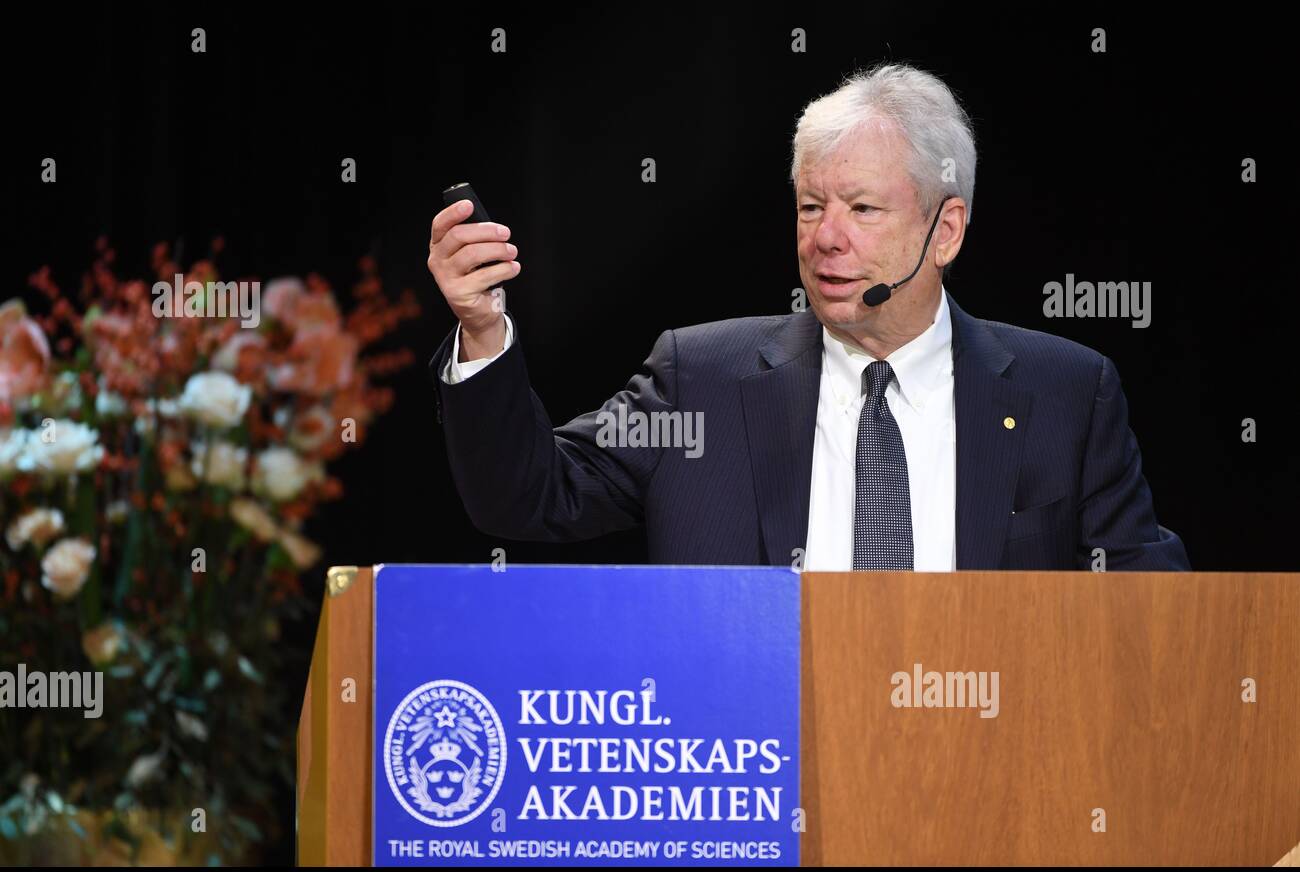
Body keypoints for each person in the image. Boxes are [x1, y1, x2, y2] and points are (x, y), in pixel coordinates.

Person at [424, 63, 1189, 571]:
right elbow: (529, 497)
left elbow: (1150, 619)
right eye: (811, 207)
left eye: (861, 208)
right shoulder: (702, 380)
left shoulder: (1066, 394)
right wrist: (484, 333)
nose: (826, 237)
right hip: (757, 783)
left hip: (986, 779)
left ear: (945, 229)